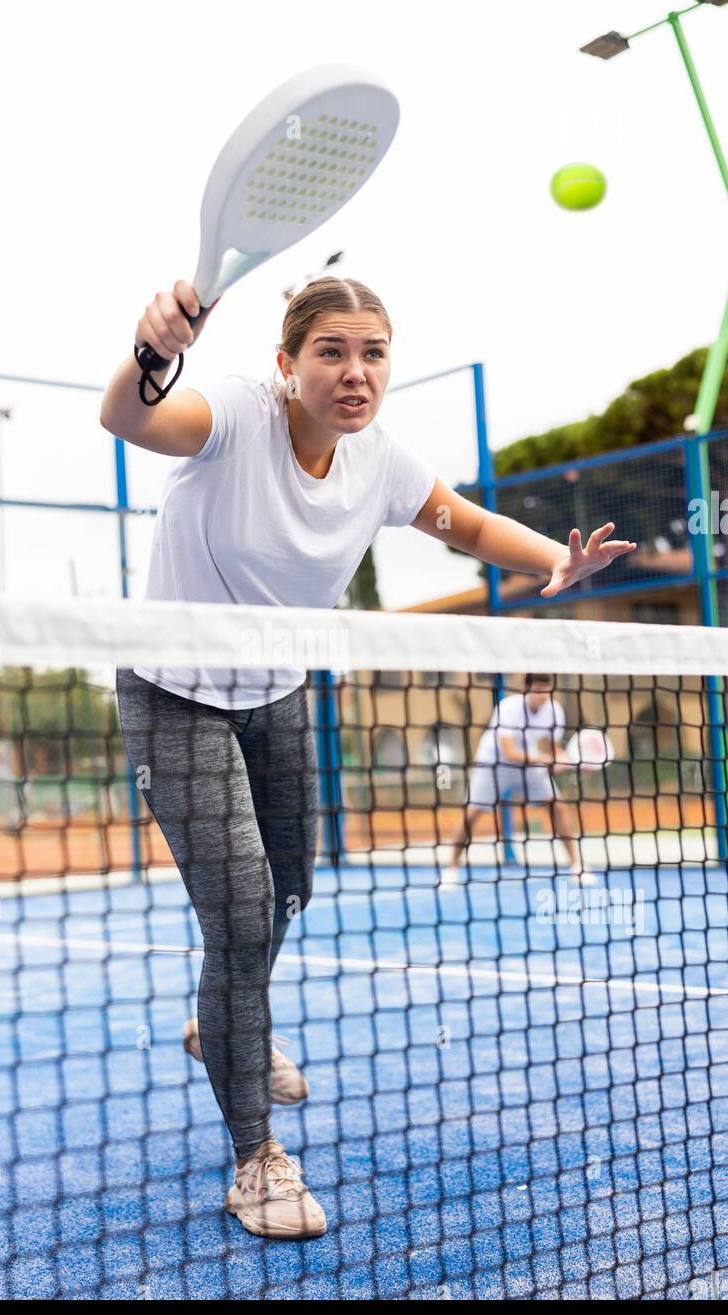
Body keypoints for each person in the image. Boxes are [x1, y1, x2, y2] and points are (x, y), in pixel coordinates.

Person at [99, 276, 635, 1241]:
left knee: (291, 891)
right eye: (332, 352)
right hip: (174, 696)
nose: (355, 373)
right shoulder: (230, 412)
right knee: (242, 909)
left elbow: (462, 523)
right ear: (287, 365)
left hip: (275, 692)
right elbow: (134, 423)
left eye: (374, 353)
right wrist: (151, 356)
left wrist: (550, 561)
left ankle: (223, 1026)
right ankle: (255, 1156)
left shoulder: (379, 462)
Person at [440, 673, 595, 885]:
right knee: (472, 813)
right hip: (494, 762)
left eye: (546, 690)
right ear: (527, 690)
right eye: (538, 690)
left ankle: (577, 866)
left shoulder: (555, 711)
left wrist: (571, 763)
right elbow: (510, 752)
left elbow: (553, 750)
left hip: (529, 765)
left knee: (557, 807)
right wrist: (547, 760)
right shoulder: (509, 708)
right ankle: (451, 870)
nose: (543, 695)